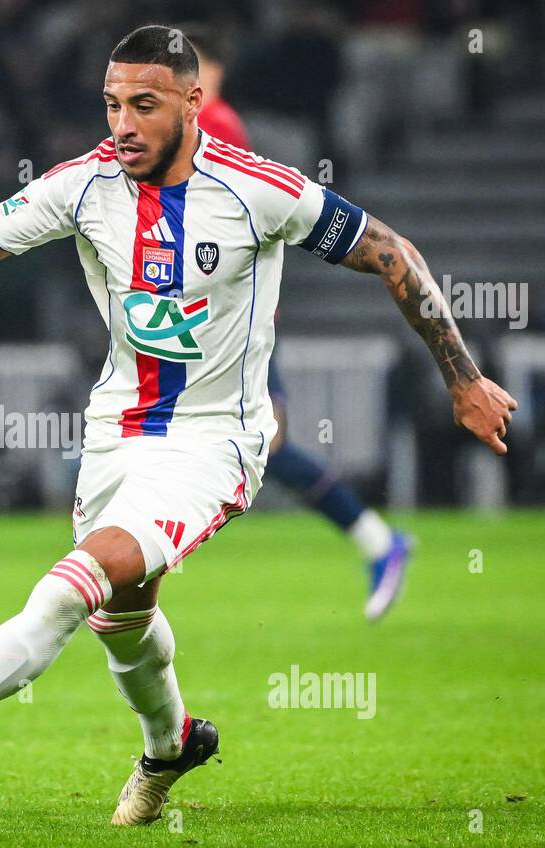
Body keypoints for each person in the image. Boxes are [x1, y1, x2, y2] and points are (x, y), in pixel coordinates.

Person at [0, 25, 517, 824]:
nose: (122, 124)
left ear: (192, 101)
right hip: (117, 432)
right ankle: (169, 744)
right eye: (112, 105)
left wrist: (463, 378)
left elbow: (392, 252)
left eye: (143, 105)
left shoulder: (259, 188)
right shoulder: (85, 183)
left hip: (215, 441)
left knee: (66, 591)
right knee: (123, 618)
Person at [189, 29, 413, 620]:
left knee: (264, 443)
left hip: (228, 323)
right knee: (259, 444)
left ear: (210, 71)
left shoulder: (213, 120)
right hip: (208, 320)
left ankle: (377, 539)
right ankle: (376, 539)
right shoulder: (204, 122)